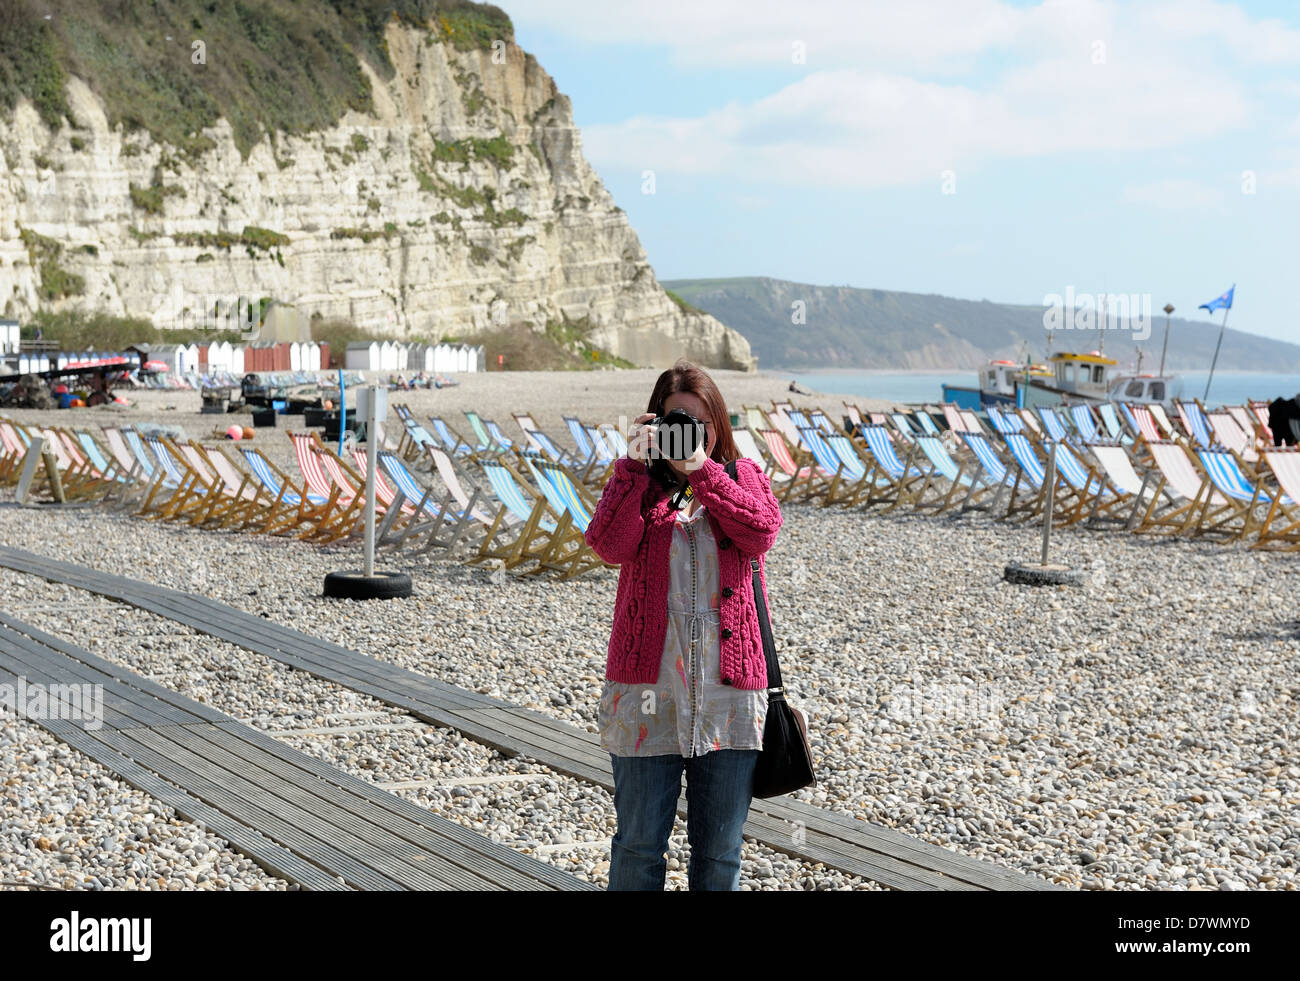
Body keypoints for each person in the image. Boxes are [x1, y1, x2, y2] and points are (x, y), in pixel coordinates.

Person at [584, 358, 783, 891]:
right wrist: (631, 468)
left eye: (700, 422)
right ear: (655, 422)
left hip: (729, 695)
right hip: (649, 692)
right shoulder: (637, 487)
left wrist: (702, 470)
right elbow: (607, 546)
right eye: (676, 420)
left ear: (717, 426)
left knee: (719, 854)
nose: (689, 432)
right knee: (638, 844)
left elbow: (761, 532)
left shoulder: (742, 479)